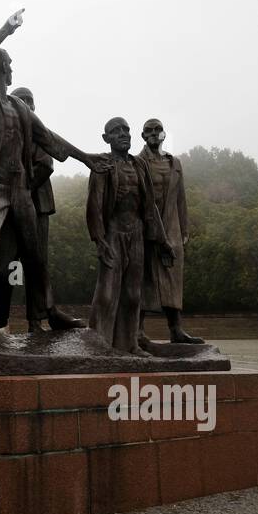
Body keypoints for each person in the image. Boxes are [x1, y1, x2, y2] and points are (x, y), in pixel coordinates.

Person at [0, 8, 110, 329]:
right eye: (9, 63)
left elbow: (48, 138)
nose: (13, 68)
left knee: (35, 255)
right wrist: (5, 30)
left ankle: (47, 310)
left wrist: (85, 158)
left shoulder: (18, 107)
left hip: (20, 189)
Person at [86, 117, 169, 355]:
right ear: (107, 138)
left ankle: (129, 343)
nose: (123, 134)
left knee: (134, 294)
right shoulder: (103, 165)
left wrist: (162, 241)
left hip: (137, 233)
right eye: (116, 131)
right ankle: (100, 344)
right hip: (113, 232)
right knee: (107, 292)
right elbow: (94, 205)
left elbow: (150, 206)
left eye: (126, 129)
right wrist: (99, 239)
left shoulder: (139, 165)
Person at [0, 86, 59, 328]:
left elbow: (47, 165)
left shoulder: (40, 134)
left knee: (36, 263)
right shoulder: (7, 134)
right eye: (20, 100)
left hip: (37, 205)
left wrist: (24, 190)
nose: (25, 104)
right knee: (7, 264)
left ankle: (36, 320)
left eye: (29, 100)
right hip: (10, 208)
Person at [137, 117, 203, 345]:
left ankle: (176, 330)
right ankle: (137, 332)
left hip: (172, 228)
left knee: (173, 279)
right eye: (149, 130)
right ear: (143, 135)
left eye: (158, 129)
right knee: (144, 278)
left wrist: (184, 229)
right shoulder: (138, 162)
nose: (154, 133)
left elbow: (181, 201)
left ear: (164, 134)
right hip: (146, 229)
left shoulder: (174, 163)